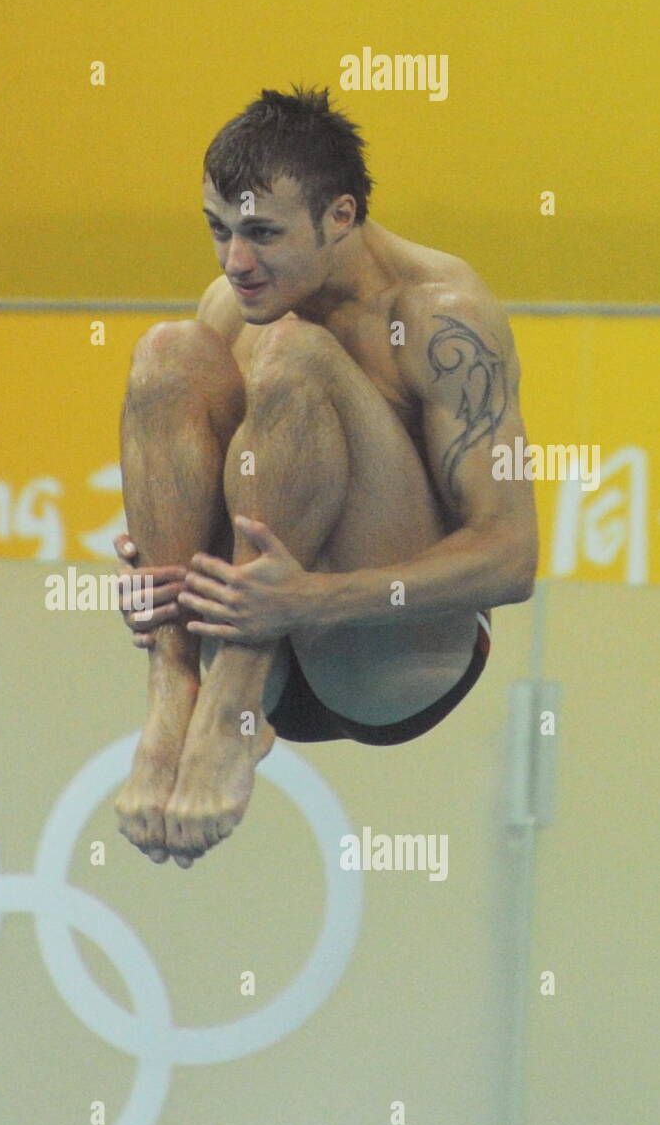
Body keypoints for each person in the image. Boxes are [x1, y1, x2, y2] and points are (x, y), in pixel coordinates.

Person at [114, 86, 537, 869]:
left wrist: (308, 598)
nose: (236, 262)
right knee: (163, 355)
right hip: (268, 627)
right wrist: (157, 569)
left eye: (263, 234)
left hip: (390, 657)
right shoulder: (232, 302)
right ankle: (174, 692)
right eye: (220, 231)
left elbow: (512, 558)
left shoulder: (443, 314)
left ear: (340, 216)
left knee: (294, 352)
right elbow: (224, 479)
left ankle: (233, 695)